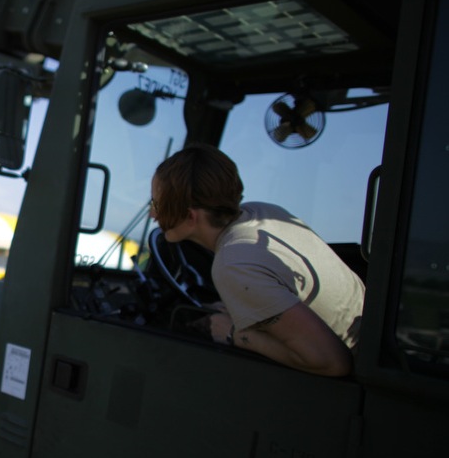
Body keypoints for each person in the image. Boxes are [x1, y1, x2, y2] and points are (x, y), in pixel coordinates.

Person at [150, 144, 364, 377]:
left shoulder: (232, 264)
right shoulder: (261, 212)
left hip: (359, 374)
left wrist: (234, 333)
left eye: (158, 205)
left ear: (191, 216)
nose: (153, 214)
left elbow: (334, 363)